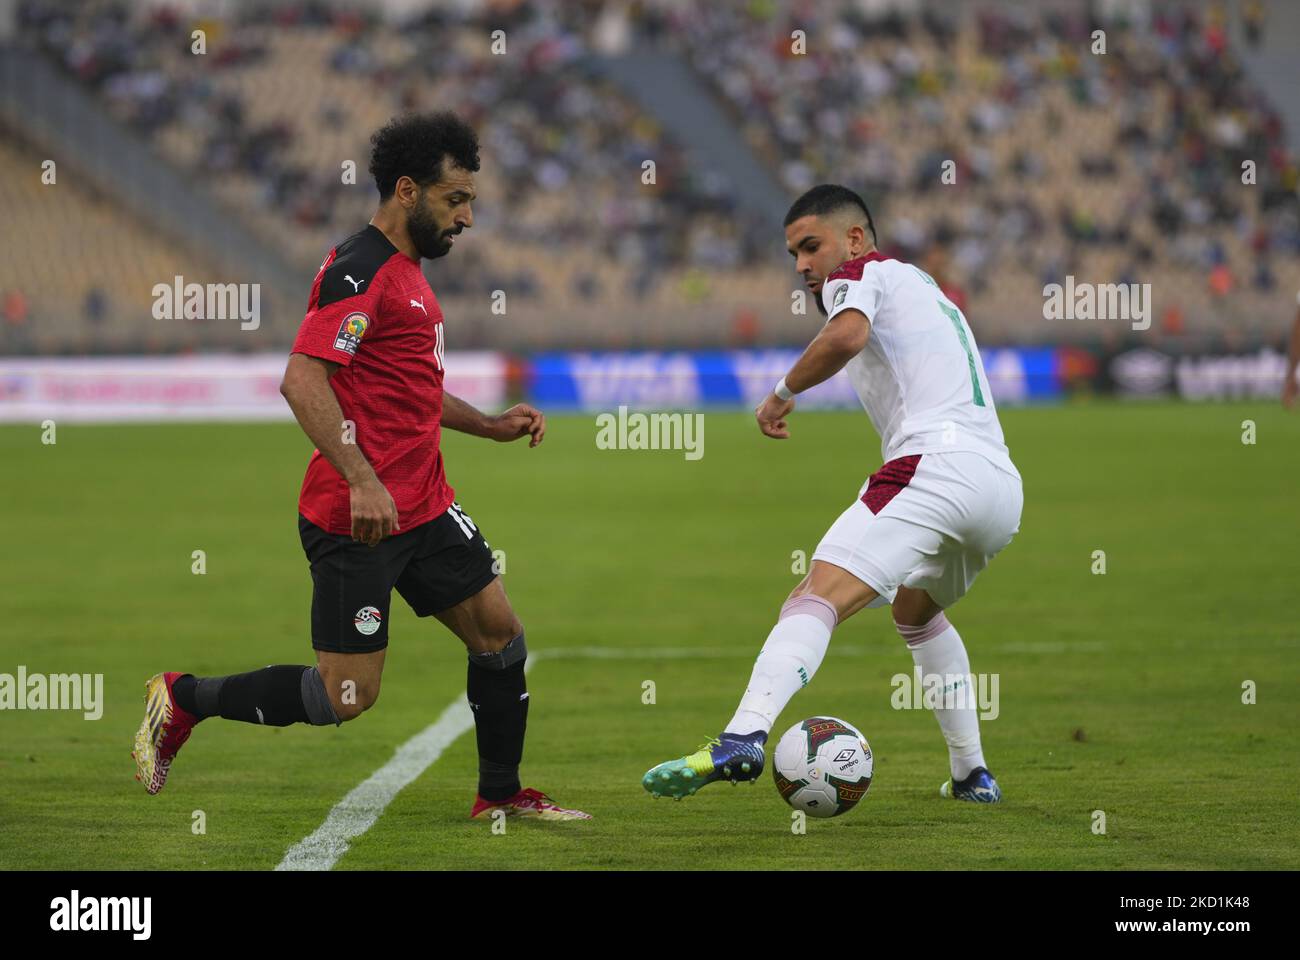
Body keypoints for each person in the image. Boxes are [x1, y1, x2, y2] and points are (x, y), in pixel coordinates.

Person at [134, 112, 590, 822]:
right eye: (455, 199)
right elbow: (302, 379)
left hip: (425, 505)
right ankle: (184, 697)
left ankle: (500, 796)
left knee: (500, 637)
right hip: (357, 520)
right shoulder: (359, 269)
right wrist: (361, 479)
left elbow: (411, 388)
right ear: (407, 190)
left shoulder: (407, 273)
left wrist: (491, 426)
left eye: (471, 199)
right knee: (344, 697)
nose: (467, 216)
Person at [644, 185, 1022, 803]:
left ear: (853, 238)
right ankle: (971, 774)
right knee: (916, 612)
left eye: (810, 247)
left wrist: (782, 391)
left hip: (935, 467)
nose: (801, 266)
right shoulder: (922, 286)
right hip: (998, 490)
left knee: (813, 595)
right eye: (793, 253)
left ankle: (742, 735)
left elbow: (845, 335)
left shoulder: (862, 272)